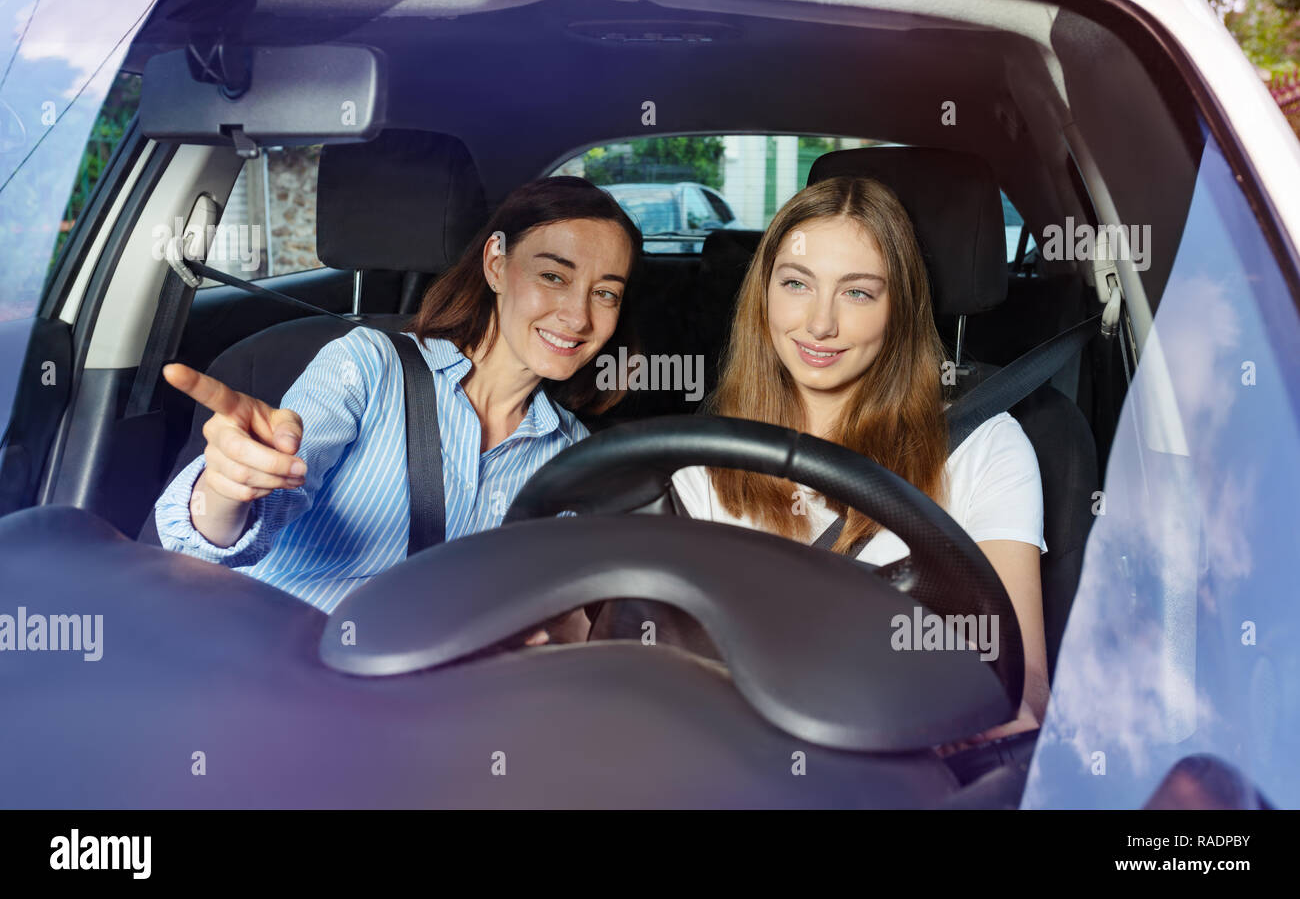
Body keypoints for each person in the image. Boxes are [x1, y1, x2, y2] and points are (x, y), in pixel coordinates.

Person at [154, 176, 640, 632]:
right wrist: (226, 491)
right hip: (277, 673)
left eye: (604, 294)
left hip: (436, 700)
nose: (577, 316)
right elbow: (240, 522)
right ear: (496, 263)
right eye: (554, 276)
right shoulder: (367, 366)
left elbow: (554, 614)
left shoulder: (573, 452)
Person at [670, 175, 1050, 747]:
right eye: (797, 284)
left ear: (900, 308)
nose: (821, 324)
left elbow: (1022, 686)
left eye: (858, 292)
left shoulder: (983, 447)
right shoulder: (704, 454)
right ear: (763, 292)